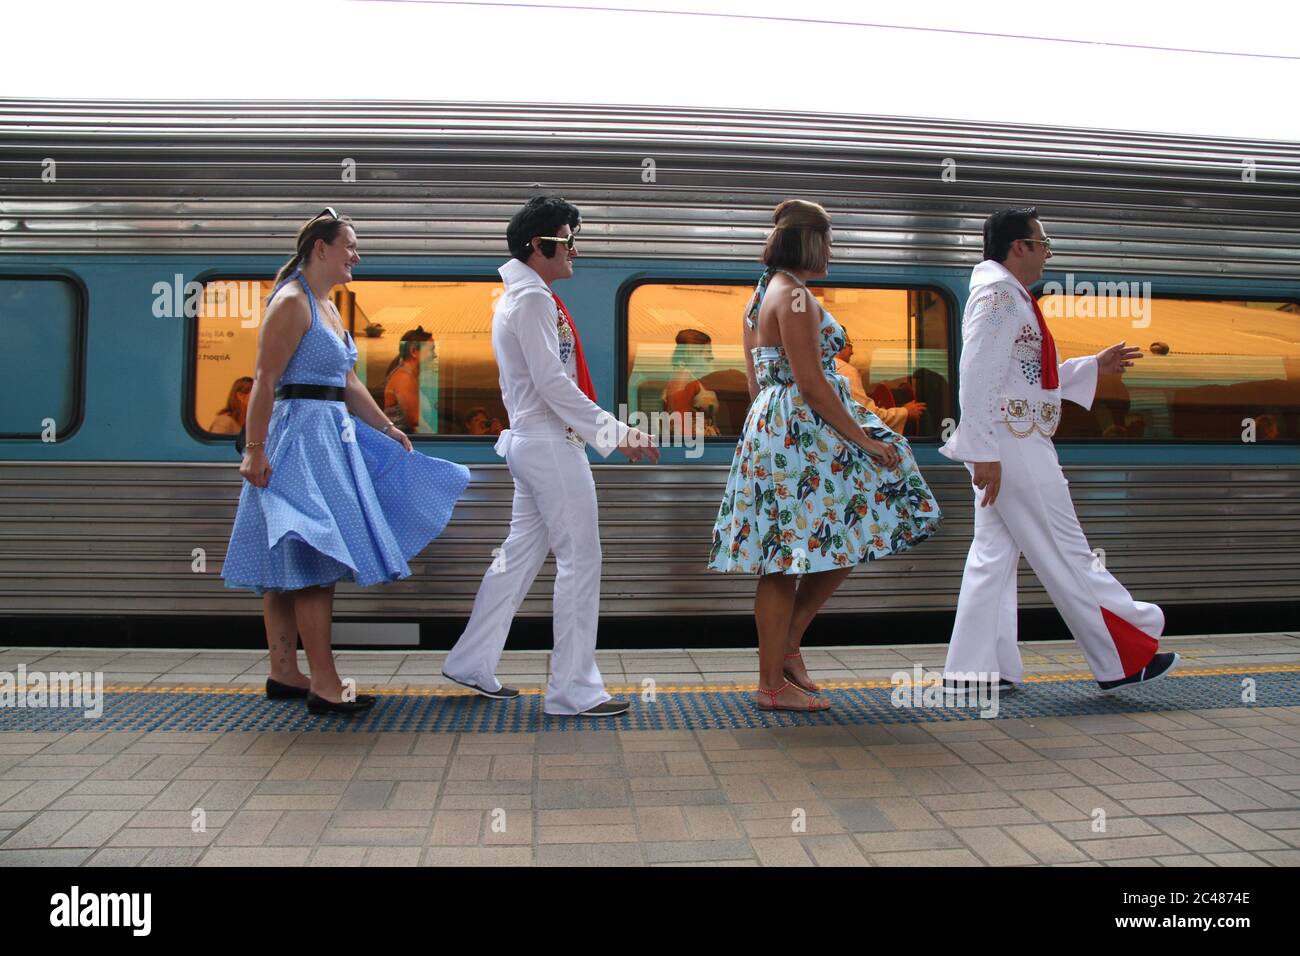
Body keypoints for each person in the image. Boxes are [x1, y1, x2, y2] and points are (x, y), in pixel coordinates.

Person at [222, 208, 470, 715]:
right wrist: (254, 449)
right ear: (321, 249)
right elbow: (265, 380)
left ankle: (284, 671)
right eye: (350, 246)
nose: (356, 255)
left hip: (325, 436)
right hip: (299, 439)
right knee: (314, 557)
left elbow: (347, 382)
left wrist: (386, 426)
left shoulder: (326, 306)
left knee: (288, 557)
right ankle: (325, 683)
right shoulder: (292, 302)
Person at [708, 200, 942, 712]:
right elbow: (812, 383)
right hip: (802, 429)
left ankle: (787, 647)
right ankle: (772, 684)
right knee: (789, 557)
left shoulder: (761, 296)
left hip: (779, 428)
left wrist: (771, 434)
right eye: (829, 242)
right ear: (810, 241)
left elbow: (756, 382)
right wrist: (866, 441)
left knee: (844, 532)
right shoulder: (793, 296)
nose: (832, 253)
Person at [940, 207, 1177, 693]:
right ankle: (1124, 655)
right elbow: (977, 375)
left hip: (1006, 441)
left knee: (992, 555)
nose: (1048, 253)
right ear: (1019, 246)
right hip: (1014, 445)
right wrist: (983, 451)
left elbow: (1022, 377)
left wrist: (1090, 366)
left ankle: (977, 670)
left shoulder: (1006, 295)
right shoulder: (1001, 297)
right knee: (1067, 549)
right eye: (1043, 242)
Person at [440, 197, 659, 718]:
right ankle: (573, 691)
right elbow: (551, 383)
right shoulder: (533, 302)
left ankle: (471, 661)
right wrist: (617, 432)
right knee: (580, 561)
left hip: (530, 442)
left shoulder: (520, 297)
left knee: (517, 559)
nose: (574, 250)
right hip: (550, 444)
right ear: (537, 247)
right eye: (567, 240)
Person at [833, 338, 925, 433]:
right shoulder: (846, 371)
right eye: (850, 345)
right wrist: (905, 412)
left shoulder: (822, 369)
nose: (852, 352)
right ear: (840, 343)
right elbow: (865, 416)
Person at [664, 328, 719, 439]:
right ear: (693, 353)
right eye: (707, 352)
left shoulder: (690, 378)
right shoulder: (683, 379)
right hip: (698, 446)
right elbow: (681, 422)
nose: (711, 357)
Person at [383, 326, 433, 433]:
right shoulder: (403, 378)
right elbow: (416, 423)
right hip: (402, 445)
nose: (435, 355)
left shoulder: (409, 377)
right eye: (431, 350)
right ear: (414, 351)